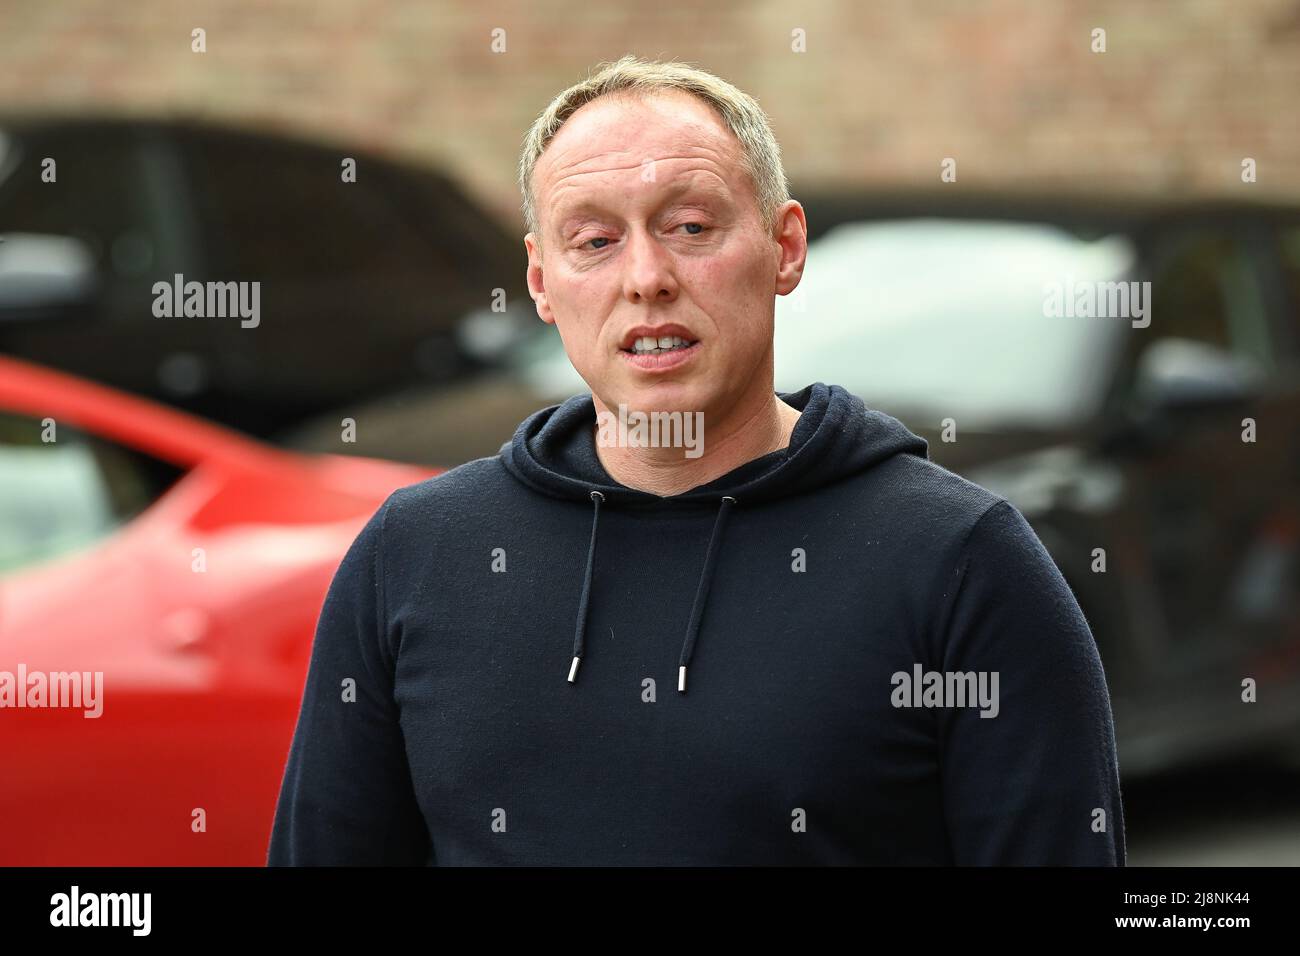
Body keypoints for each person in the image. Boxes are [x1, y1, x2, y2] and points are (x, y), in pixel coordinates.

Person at [267, 55, 1126, 866]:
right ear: (539, 281)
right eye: (594, 240)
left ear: (786, 247)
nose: (646, 277)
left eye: (689, 226)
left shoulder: (962, 563)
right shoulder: (414, 555)